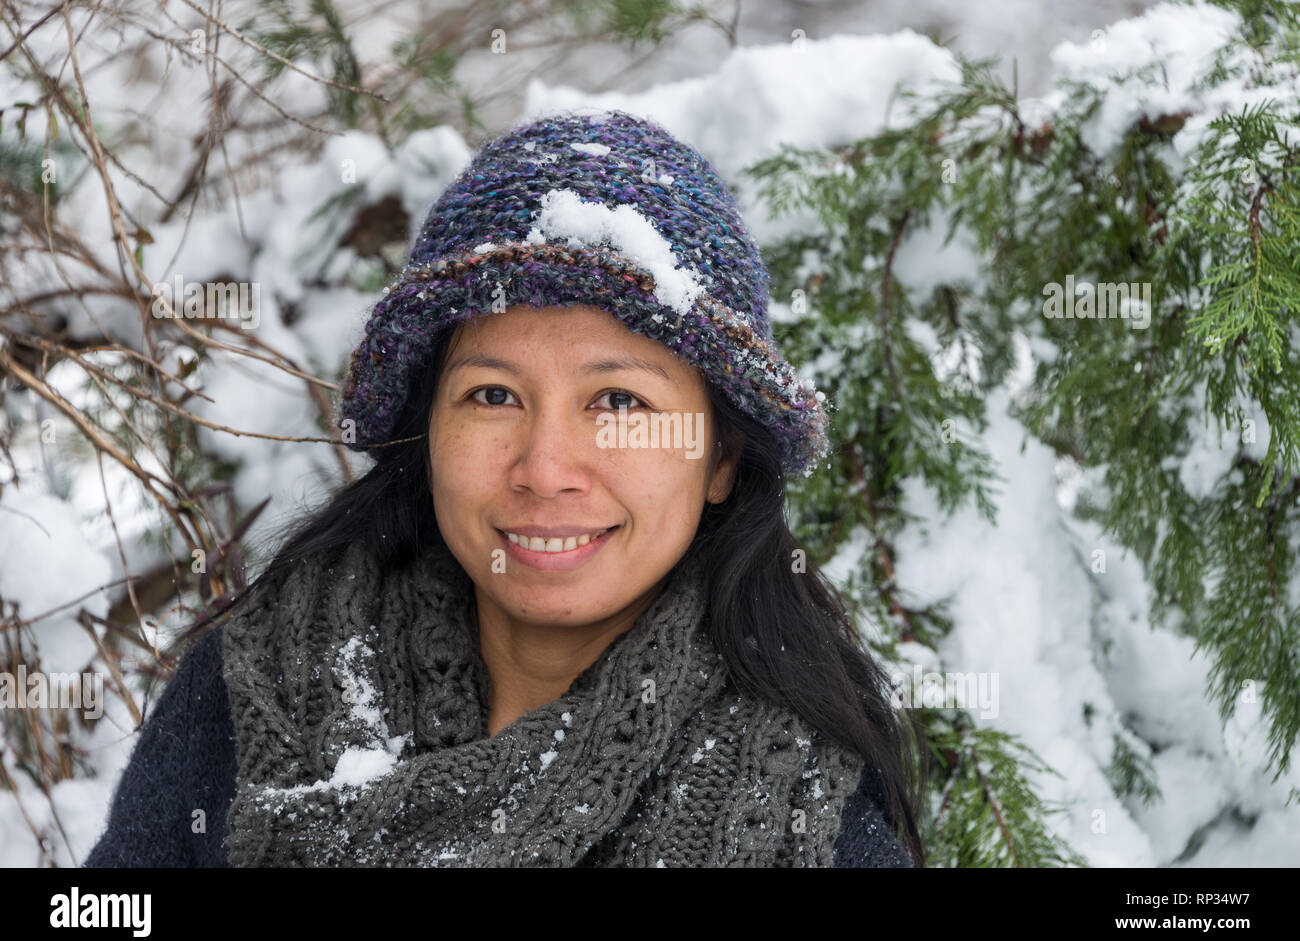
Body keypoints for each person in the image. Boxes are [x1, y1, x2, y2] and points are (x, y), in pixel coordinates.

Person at [84, 108, 925, 867]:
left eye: (618, 402)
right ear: (429, 427)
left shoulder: (809, 823)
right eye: (493, 396)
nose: (545, 469)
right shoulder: (255, 686)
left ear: (721, 458)